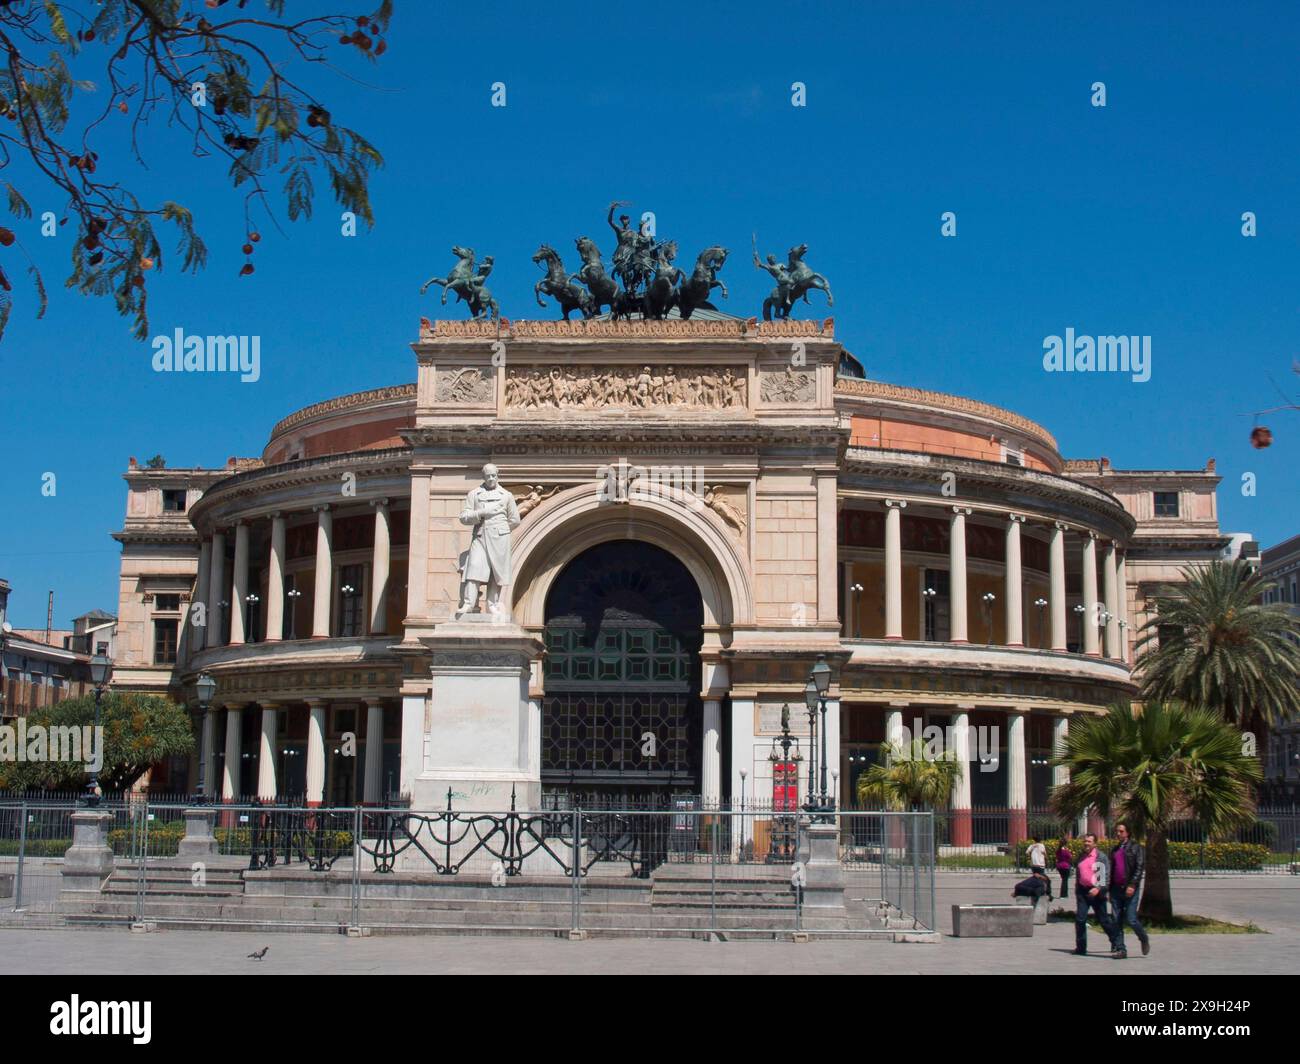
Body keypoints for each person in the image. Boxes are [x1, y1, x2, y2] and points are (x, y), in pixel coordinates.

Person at [1073, 833, 1122, 957]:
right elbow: (1079, 874)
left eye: (1089, 841)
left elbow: (1105, 875)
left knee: (1104, 920)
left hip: (1096, 892)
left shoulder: (1100, 857)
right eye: (1085, 841)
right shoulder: (1081, 856)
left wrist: (1098, 888)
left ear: (1095, 843)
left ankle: (1116, 942)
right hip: (1083, 892)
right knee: (1080, 919)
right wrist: (1078, 889)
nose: (1086, 843)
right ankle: (1081, 947)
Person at [1109, 822, 1151, 958]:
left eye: (1121, 831)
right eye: (1117, 831)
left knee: (1131, 918)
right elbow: (1112, 870)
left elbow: (1139, 867)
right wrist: (1109, 890)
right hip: (1116, 889)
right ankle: (1121, 949)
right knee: (1116, 919)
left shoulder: (1136, 848)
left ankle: (1143, 938)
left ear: (1128, 833)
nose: (1118, 834)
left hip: (1130, 888)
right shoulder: (1115, 850)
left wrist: (1132, 884)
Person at [1056, 833, 1074, 899]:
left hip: (1059, 866)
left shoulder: (1058, 850)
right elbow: (1070, 857)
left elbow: (1057, 856)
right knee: (1065, 881)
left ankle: (1063, 894)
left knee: (1063, 880)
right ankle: (1064, 895)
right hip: (1065, 866)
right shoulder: (1065, 851)